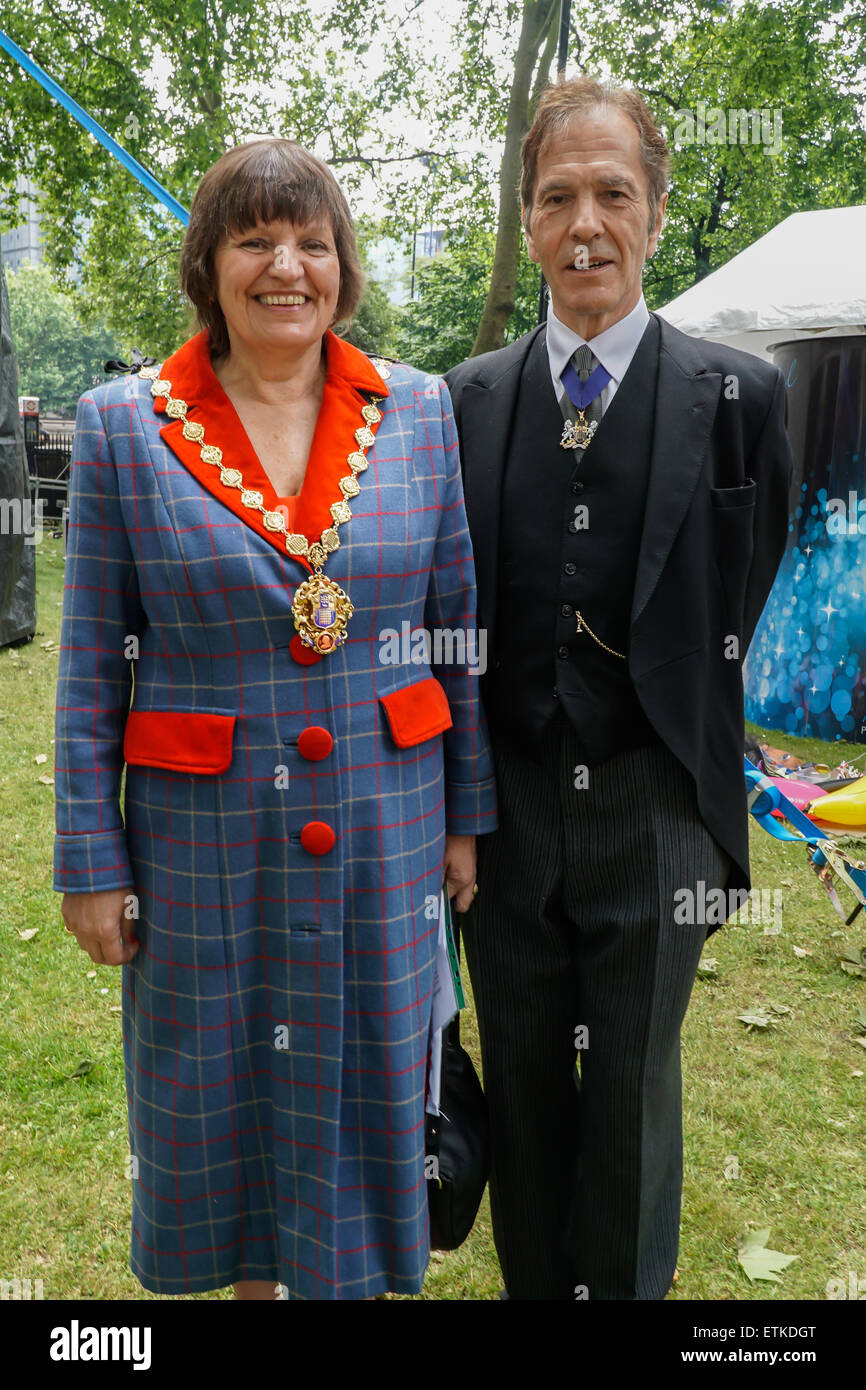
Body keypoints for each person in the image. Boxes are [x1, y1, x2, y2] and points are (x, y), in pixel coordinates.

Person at [53, 137, 495, 1301]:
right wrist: (90, 859)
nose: (286, 265)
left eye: (312, 241)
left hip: (385, 823)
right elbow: (95, 660)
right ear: (209, 265)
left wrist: (466, 813)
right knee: (225, 1088)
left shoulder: (419, 408)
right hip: (205, 843)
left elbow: (455, 627)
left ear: (344, 267)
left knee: (368, 1081)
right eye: (254, 239)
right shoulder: (121, 426)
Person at [445, 76, 793, 1300]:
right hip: (505, 806)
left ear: (650, 211)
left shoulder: (745, 397)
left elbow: (734, 593)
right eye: (555, 197)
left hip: (655, 803)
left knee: (633, 1087)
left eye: (610, 193)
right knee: (526, 1079)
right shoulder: (464, 403)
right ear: (528, 219)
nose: (582, 222)